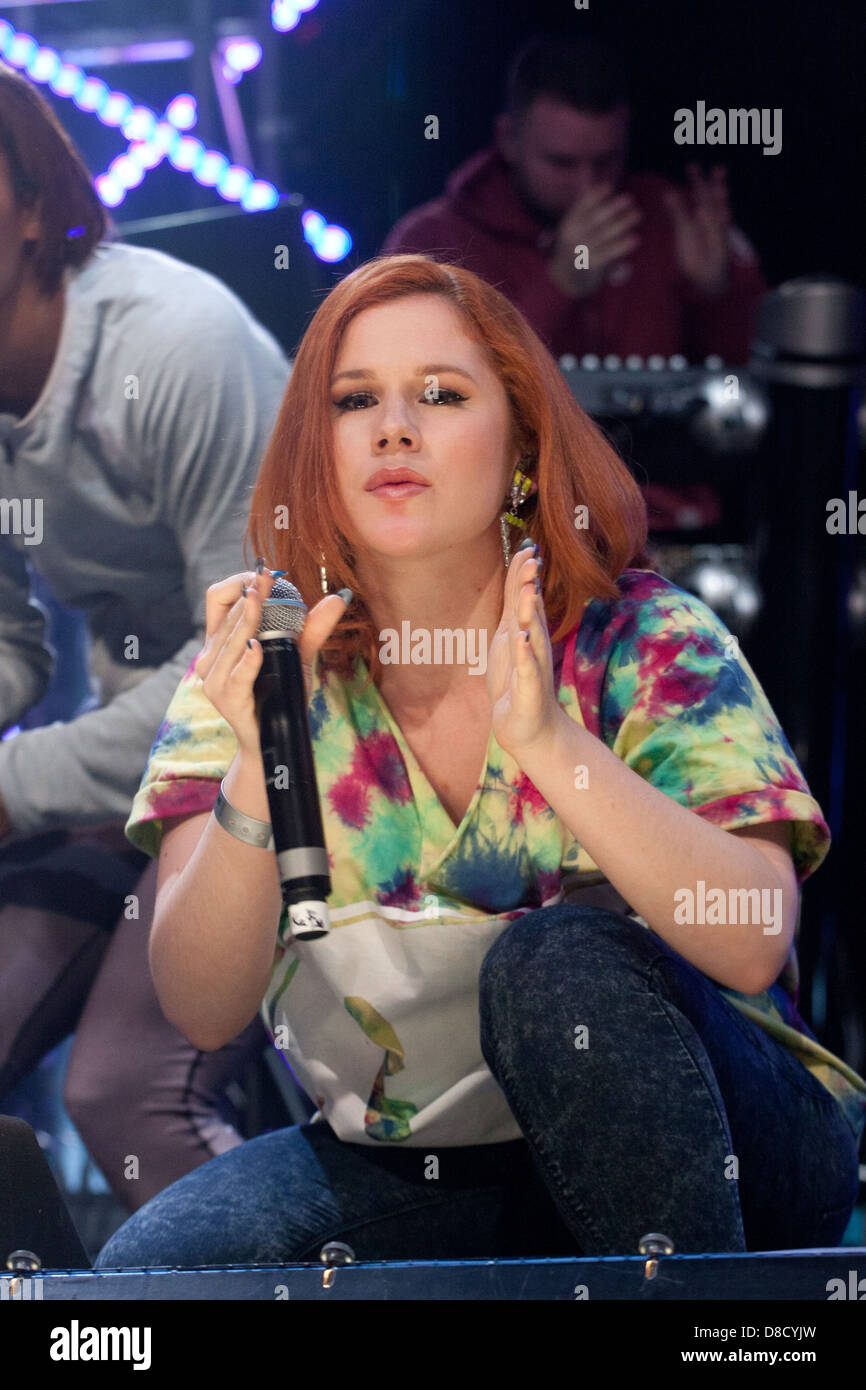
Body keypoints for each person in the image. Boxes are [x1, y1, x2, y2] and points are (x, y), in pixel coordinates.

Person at [96, 253, 863, 1268]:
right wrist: (254, 765)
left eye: (441, 395)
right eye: (354, 398)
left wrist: (548, 740)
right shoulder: (253, 666)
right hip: (440, 1159)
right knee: (156, 1272)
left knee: (553, 961)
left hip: (729, 1138)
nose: (393, 427)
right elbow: (201, 1006)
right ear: (316, 451)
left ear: (519, 451)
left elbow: (754, 937)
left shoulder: (646, 635)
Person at [0, 61, 292, 1211]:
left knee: (123, 1093)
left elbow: (256, 653)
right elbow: (15, 643)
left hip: (296, 741)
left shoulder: (173, 343)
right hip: (151, 755)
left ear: (30, 208)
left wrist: (16, 780)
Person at [382, 35, 766, 365]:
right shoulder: (432, 242)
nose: (589, 186)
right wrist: (560, 285)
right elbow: (430, 390)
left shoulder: (672, 215)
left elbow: (751, 385)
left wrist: (717, 292)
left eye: (605, 160)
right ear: (508, 139)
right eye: (562, 163)